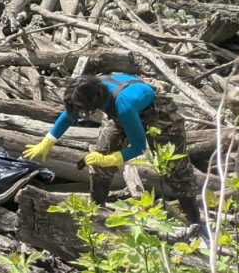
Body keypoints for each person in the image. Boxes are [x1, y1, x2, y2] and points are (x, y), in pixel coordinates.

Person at [23, 73, 205, 233]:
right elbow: (70, 113)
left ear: (93, 100)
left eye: (81, 106)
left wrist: (111, 159)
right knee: (97, 158)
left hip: (159, 113)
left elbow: (139, 146)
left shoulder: (123, 105)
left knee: (175, 168)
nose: (79, 111)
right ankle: (96, 211)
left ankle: (195, 222)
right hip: (121, 115)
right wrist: (48, 140)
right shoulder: (90, 90)